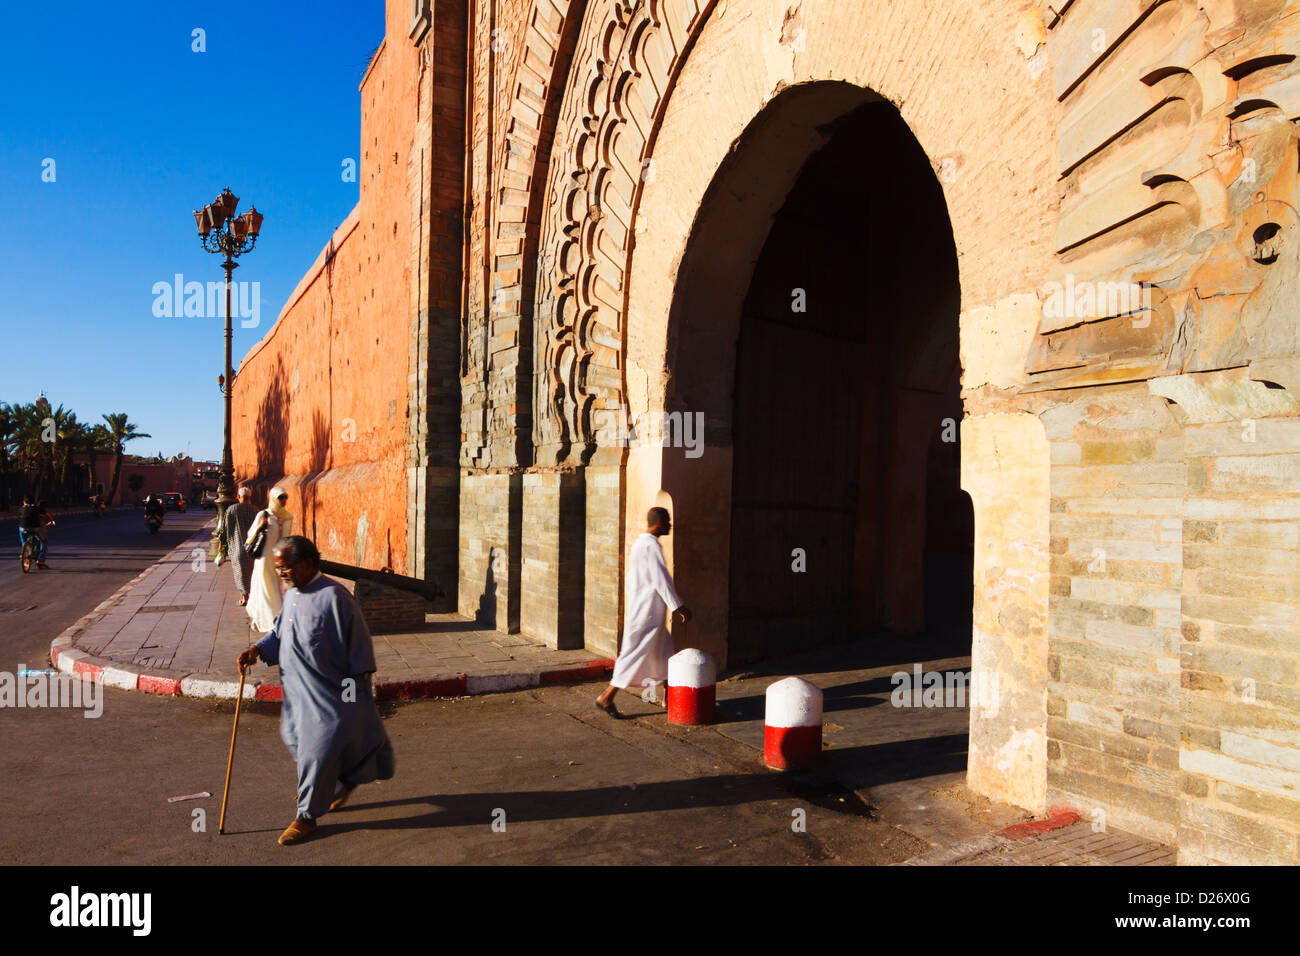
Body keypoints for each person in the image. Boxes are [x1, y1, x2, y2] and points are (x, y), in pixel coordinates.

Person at [237, 535, 395, 846]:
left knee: (315, 753)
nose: (282, 574)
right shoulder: (293, 594)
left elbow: (359, 649)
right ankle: (339, 783)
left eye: (287, 567)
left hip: (330, 697)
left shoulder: (335, 598)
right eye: (278, 568)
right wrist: (257, 650)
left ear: (309, 564)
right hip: (297, 693)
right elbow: (279, 633)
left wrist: (351, 700)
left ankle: (306, 816)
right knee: (294, 738)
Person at [595, 506, 691, 718]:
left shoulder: (641, 544)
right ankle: (607, 697)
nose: (670, 525)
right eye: (667, 521)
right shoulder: (649, 546)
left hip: (647, 612)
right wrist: (678, 606)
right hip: (646, 614)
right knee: (633, 655)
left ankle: (668, 697)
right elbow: (661, 579)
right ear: (658, 523)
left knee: (665, 653)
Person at [245, 486, 294, 632]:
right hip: (264, 558)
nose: (283, 500)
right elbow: (250, 535)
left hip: (280, 558)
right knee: (266, 588)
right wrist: (260, 527)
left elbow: (287, 538)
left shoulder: (287, 517)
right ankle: (273, 621)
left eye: (285, 497)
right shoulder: (264, 514)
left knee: (278, 587)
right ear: (273, 498)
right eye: (280, 497)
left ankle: (272, 617)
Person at [219, 487, 257, 607]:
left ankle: (244, 598)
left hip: (236, 547)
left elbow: (223, 530)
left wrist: (221, 548)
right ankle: (249, 596)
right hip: (253, 548)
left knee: (240, 573)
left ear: (238, 497)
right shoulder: (255, 510)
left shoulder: (231, 509)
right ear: (250, 497)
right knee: (251, 573)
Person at [17, 496, 53, 568]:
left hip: (22, 528)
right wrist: (51, 521)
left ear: (24, 502)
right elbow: (46, 515)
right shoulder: (37, 509)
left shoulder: (21, 508)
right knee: (43, 542)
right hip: (34, 529)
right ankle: (40, 560)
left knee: (23, 536)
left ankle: (24, 548)